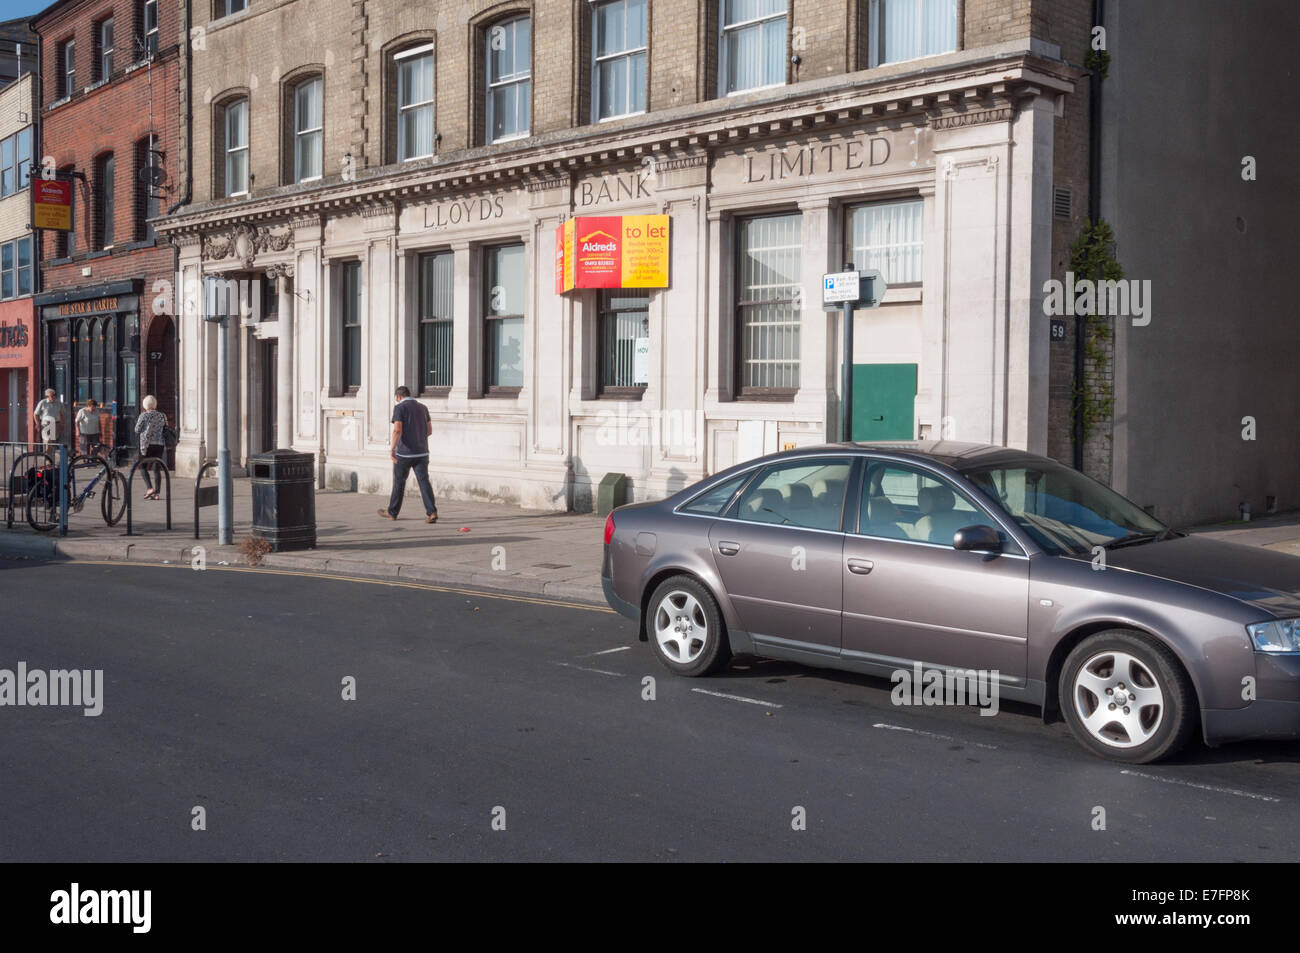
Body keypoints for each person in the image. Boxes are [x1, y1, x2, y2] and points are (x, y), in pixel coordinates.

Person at [378, 385, 437, 523]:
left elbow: (397, 430)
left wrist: (392, 448)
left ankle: (392, 512)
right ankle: (432, 512)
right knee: (424, 483)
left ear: (398, 397)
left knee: (399, 483)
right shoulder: (423, 408)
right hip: (422, 453)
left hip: (404, 454)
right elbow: (429, 431)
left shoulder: (400, 408)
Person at [134, 395, 169, 501]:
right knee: (156, 469)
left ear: (145, 405)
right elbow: (166, 427)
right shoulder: (162, 415)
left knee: (142, 466)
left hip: (146, 445)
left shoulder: (143, 416)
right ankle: (157, 493)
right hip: (159, 445)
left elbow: (137, 429)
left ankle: (149, 488)